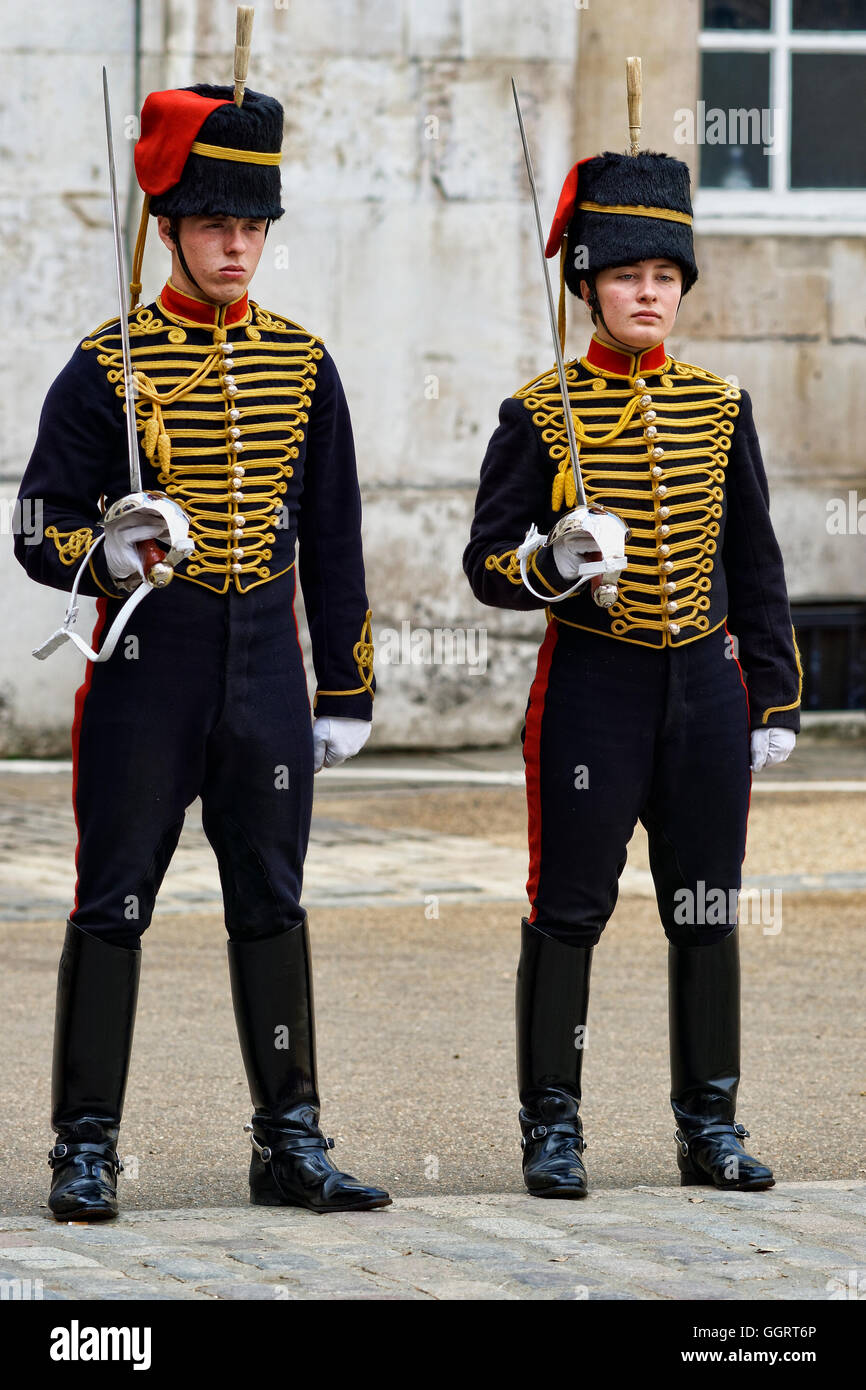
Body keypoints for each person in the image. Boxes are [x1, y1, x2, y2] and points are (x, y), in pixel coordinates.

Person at [15, 78, 390, 1219]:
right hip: (149, 665)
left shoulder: (303, 363)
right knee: (113, 899)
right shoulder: (105, 365)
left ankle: (289, 1140)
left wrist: (343, 683)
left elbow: (332, 534)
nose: (238, 246)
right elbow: (37, 525)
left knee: (270, 900)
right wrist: (111, 550)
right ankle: (84, 1147)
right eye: (218, 225)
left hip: (264, 666)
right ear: (168, 228)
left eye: (254, 227)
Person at [463, 147, 801, 1198]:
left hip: (703, 686)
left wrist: (774, 692)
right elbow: (483, 564)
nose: (646, 292)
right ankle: (551, 1128)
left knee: (702, 906)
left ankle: (710, 1125)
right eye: (624, 275)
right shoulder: (537, 410)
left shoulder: (718, 404)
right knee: (568, 909)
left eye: (663, 275)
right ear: (587, 287)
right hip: (593, 691)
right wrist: (550, 560)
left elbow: (753, 555)